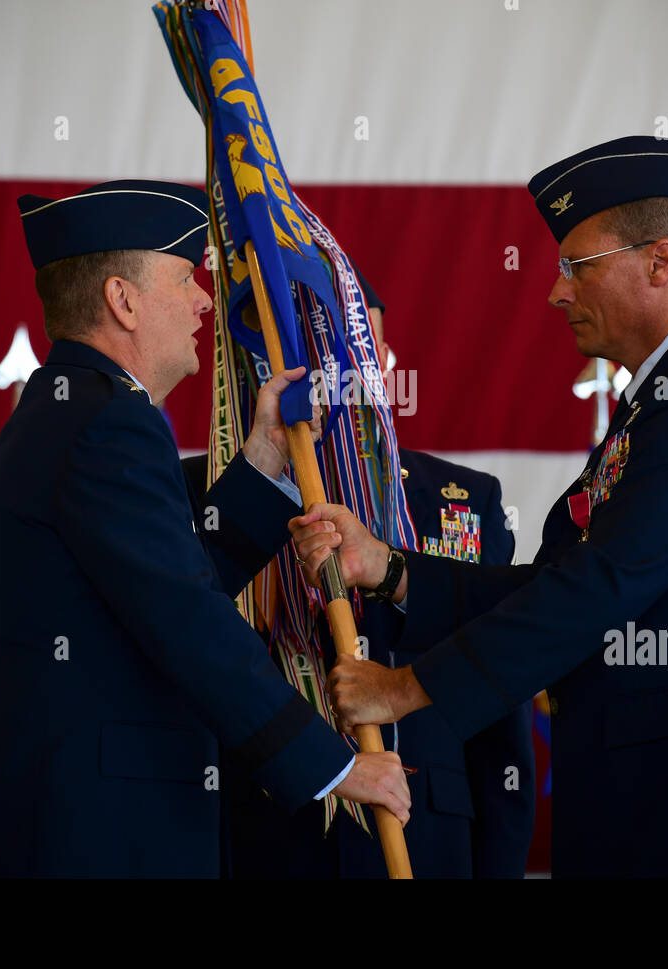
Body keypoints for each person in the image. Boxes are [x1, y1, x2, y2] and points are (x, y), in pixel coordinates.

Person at [289, 137, 668, 878]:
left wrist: (404, 688)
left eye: (578, 265)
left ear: (660, 262)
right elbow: (560, 579)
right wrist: (391, 570)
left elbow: (596, 589)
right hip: (647, 817)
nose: (556, 290)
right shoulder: (663, 404)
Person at [0, 179, 409, 878]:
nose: (204, 299)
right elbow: (190, 624)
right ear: (122, 300)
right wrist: (335, 764)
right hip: (91, 836)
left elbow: (164, 583)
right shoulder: (109, 422)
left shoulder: (73, 409)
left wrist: (262, 459)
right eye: (186, 276)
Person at [191, 274, 536, 878]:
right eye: (320, 359)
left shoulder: (464, 500)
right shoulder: (203, 494)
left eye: (358, 354)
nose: (346, 374)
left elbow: (497, 699)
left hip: (424, 829)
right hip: (264, 831)